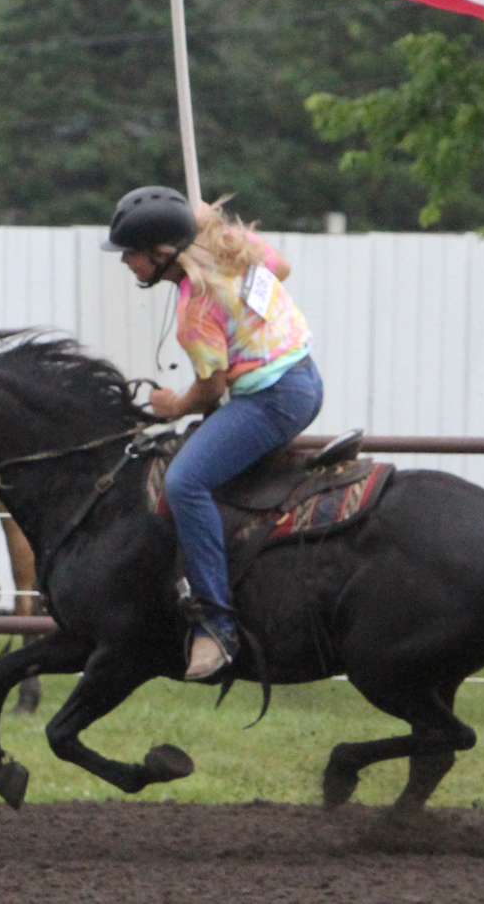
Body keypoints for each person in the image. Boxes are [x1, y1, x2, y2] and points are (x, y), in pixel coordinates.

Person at [103, 185, 323, 681]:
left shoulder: (194, 310)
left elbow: (210, 388)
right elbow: (280, 268)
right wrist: (219, 231)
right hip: (302, 376)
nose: (125, 264)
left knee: (185, 482)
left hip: (271, 399)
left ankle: (217, 624)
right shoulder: (234, 255)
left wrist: (171, 405)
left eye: (131, 253)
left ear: (163, 253)